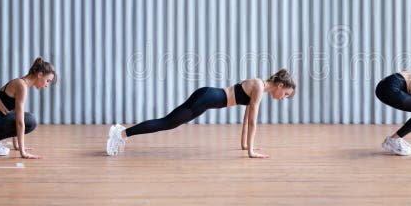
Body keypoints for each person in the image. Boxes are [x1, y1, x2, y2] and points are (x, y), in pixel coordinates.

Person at [106, 69, 296, 159]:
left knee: (168, 122)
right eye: (285, 95)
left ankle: (121, 133)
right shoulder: (258, 86)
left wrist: (245, 145)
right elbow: (253, 122)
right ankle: (120, 134)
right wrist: (251, 152)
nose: (282, 98)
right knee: (167, 123)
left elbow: (247, 117)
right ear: (280, 85)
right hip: (206, 98)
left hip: (207, 96)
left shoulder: (259, 87)